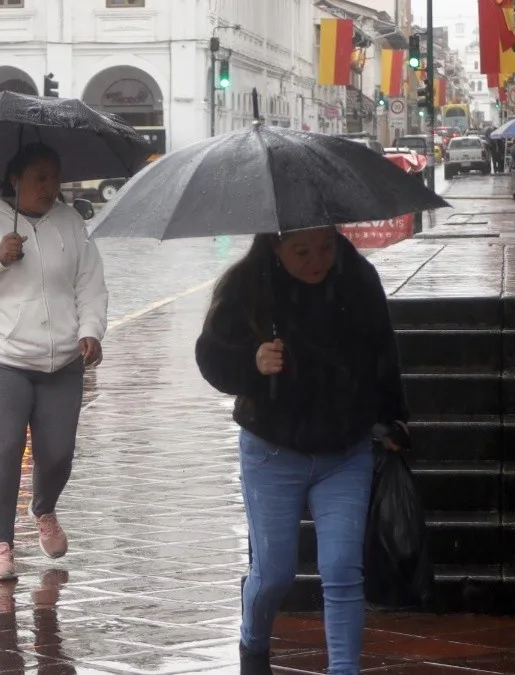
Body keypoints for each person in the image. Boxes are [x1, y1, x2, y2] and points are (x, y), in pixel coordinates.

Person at [195, 226, 408, 675]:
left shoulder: (357, 279)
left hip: (345, 451)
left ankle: (343, 669)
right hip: (273, 452)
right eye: (302, 251)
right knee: (273, 574)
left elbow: (382, 351)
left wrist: (392, 417)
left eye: (326, 248)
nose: (317, 261)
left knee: (343, 570)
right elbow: (211, 357)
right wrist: (251, 364)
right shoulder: (246, 287)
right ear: (274, 245)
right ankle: (253, 643)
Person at [0, 142, 108, 581]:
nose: (50, 187)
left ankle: (44, 508)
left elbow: (90, 283)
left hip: (61, 361)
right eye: (40, 178)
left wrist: (91, 329)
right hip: (1, 356)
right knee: (7, 445)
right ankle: (0, 544)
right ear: (15, 179)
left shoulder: (70, 223)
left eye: (55, 178)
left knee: (58, 454)